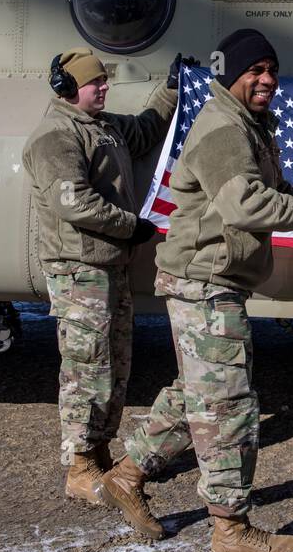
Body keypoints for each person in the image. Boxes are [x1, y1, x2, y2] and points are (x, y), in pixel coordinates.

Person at [100, 29, 293, 552]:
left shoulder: (250, 127)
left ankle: (127, 475)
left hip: (213, 279)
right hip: (204, 283)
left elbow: (277, 194)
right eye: (256, 70)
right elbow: (245, 207)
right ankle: (230, 527)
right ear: (231, 74)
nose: (268, 80)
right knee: (229, 402)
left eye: (272, 70)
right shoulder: (223, 127)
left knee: (198, 392)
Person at [21, 47, 177, 505]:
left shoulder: (104, 128)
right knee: (85, 369)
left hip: (109, 267)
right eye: (95, 83)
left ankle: (100, 452)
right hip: (78, 271)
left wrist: (172, 90)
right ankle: (79, 466)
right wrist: (134, 226)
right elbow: (74, 203)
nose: (104, 87)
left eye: (104, 80)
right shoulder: (55, 136)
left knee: (113, 365)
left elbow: (146, 130)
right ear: (67, 89)